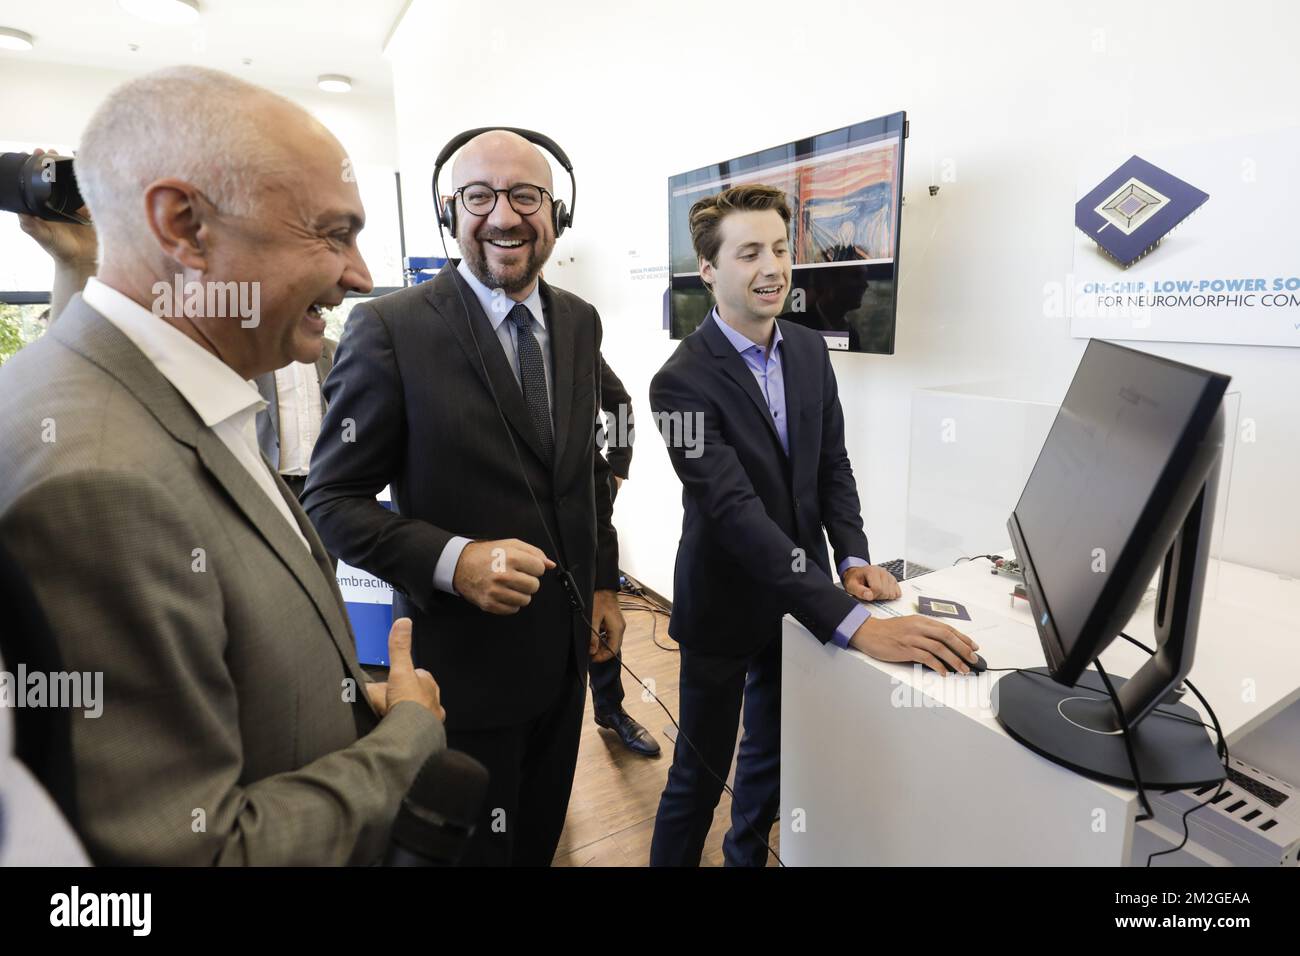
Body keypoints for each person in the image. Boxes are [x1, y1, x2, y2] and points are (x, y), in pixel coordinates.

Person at [0, 66, 445, 865]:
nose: (361, 276)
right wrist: (405, 740)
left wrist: (344, 708)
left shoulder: (172, 397)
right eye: (333, 233)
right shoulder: (102, 483)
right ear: (184, 226)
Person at [303, 129, 624, 866]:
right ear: (449, 212)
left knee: (537, 839)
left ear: (556, 212)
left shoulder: (579, 320)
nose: (504, 216)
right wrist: (456, 560)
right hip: (461, 678)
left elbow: (583, 473)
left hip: (566, 660)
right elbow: (333, 498)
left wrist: (603, 584)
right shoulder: (389, 327)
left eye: (526, 196)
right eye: (479, 197)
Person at [648, 184, 978, 866]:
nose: (772, 267)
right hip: (725, 604)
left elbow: (832, 466)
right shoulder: (677, 382)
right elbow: (734, 512)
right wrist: (856, 624)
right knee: (699, 776)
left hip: (803, 599)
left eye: (778, 249)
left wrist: (852, 554)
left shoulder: (806, 349)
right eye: (748, 253)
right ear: (707, 270)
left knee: (770, 757)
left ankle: (747, 859)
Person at [589, 357, 660, 756]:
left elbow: (617, 401)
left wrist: (617, 467)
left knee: (600, 602)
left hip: (585, 496)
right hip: (510, 506)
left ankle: (610, 709)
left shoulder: (574, 326)